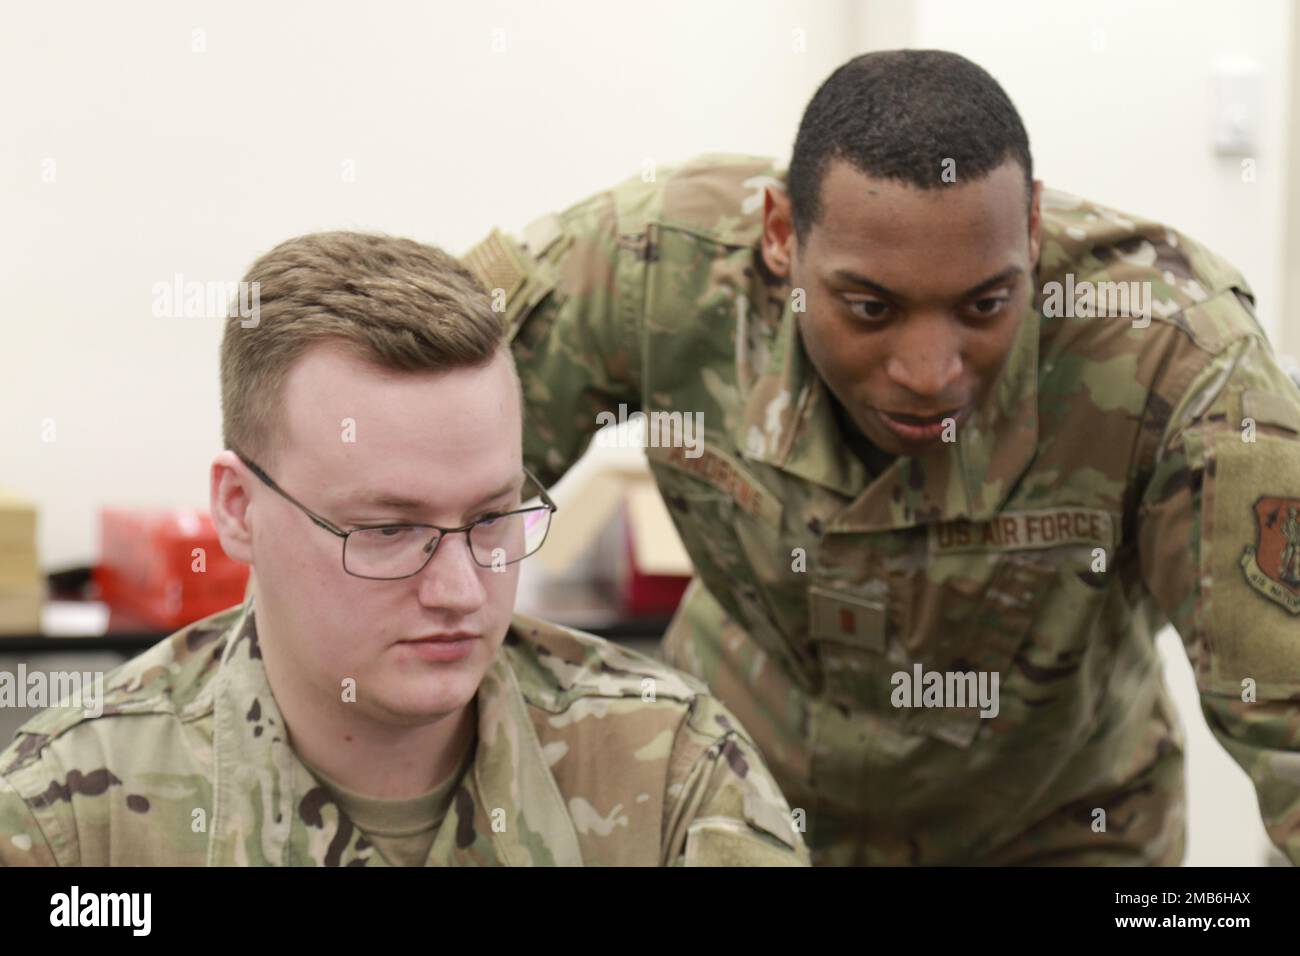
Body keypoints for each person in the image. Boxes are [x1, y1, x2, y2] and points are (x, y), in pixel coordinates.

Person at [460, 49, 1300, 865]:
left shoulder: (1174, 353)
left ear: (1034, 228)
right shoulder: (653, 268)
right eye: (869, 307)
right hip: (738, 798)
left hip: (1061, 821)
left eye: (985, 304)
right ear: (782, 235)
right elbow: (393, 468)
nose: (930, 373)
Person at [0, 232, 807, 867]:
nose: (459, 590)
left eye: (493, 517)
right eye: (388, 531)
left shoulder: (666, 768)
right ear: (239, 509)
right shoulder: (71, 815)